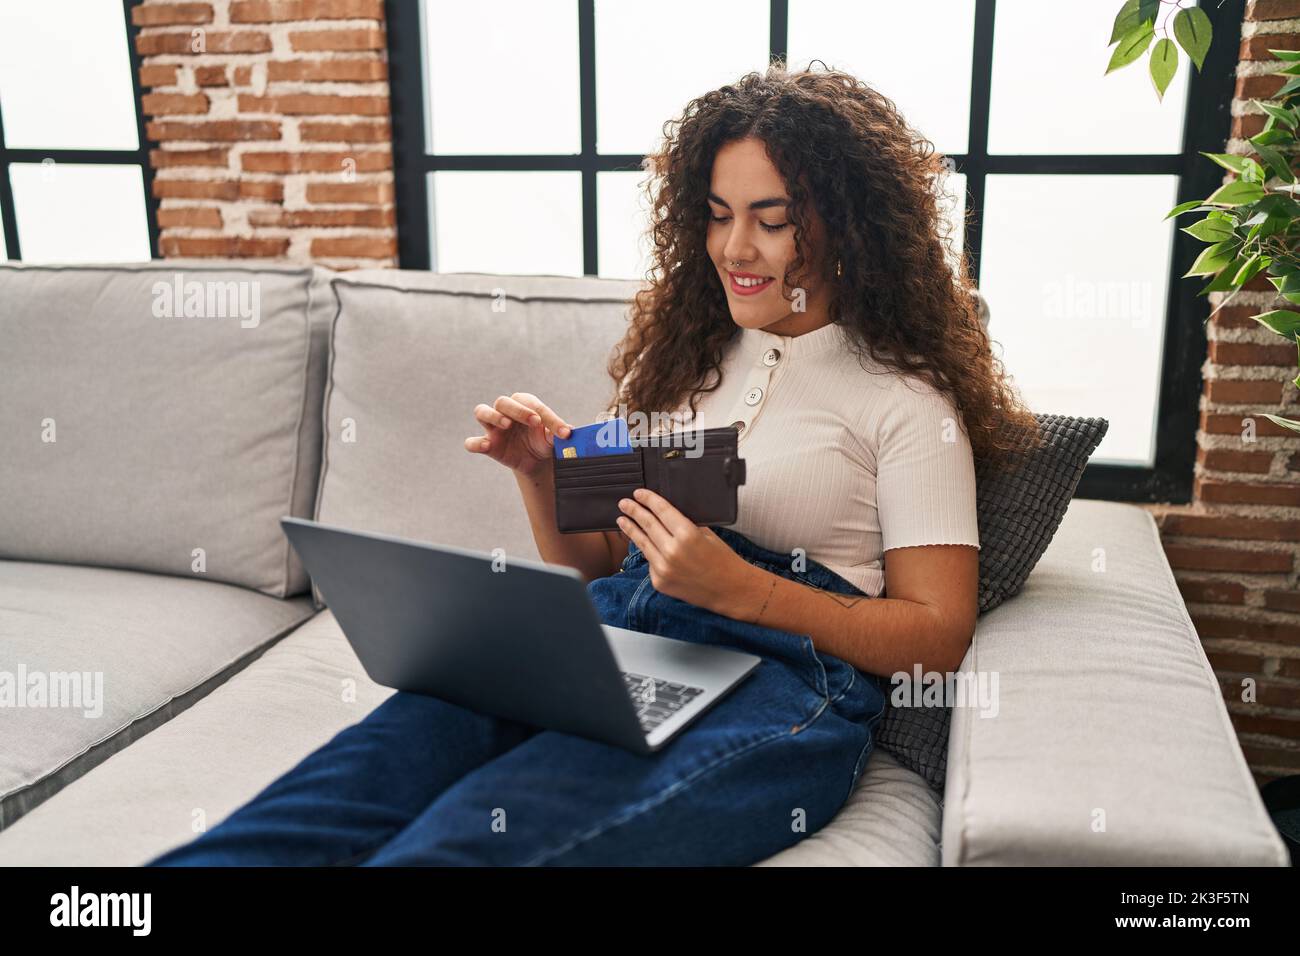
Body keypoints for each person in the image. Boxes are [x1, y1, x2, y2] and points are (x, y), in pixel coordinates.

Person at [149, 60, 1037, 867]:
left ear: (846, 229)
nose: (735, 249)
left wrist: (745, 592)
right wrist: (542, 474)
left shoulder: (907, 402)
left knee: (466, 845)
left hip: (782, 677)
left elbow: (936, 636)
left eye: (772, 221)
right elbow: (592, 565)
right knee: (324, 803)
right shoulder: (685, 357)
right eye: (719, 216)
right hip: (612, 634)